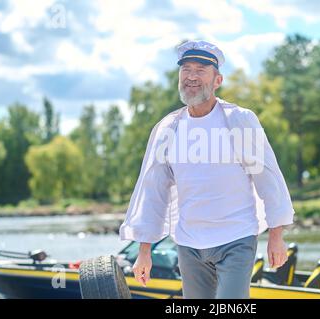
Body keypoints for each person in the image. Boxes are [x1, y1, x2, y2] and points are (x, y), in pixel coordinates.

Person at [119, 40, 295, 299]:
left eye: (201, 70)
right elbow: (153, 192)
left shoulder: (239, 120)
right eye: (186, 69)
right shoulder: (168, 129)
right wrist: (144, 251)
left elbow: (267, 176)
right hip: (189, 244)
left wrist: (276, 235)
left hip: (236, 237)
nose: (191, 76)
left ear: (217, 80)